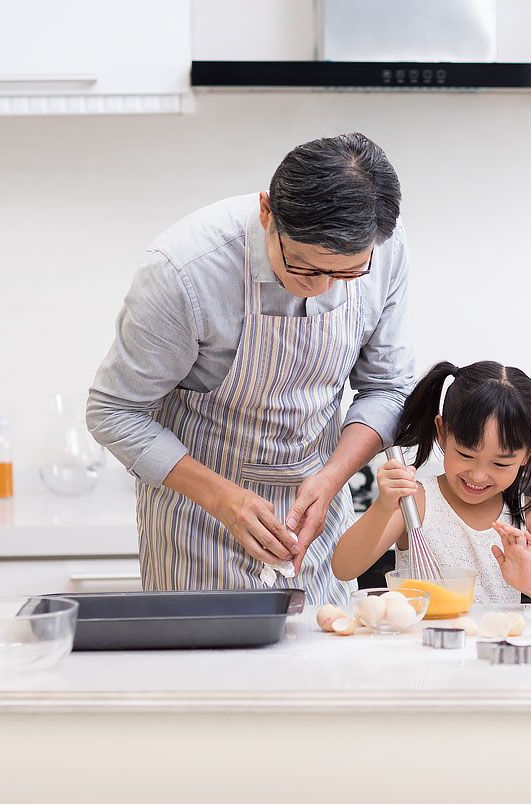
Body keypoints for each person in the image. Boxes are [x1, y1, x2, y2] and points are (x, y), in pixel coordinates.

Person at [87, 133, 414, 605]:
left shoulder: (383, 247)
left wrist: (331, 479)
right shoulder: (184, 270)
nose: (321, 289)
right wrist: (226, 499)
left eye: (344, 275)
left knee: (323, 668)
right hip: (196, 527)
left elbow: (387, 387)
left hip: (317, 523)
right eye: (303, 268)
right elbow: (113, 412)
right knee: (212, 677)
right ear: (266, 212)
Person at [332, 361, 531, 604]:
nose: (478, 475)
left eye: (500, 464)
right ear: (442, 433)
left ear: (527, 455)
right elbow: (344, 568)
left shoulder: (528, 514)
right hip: (422, 648)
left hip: (494, 647)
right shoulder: (416, 502)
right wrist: (383, 507)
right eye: (466, 455)